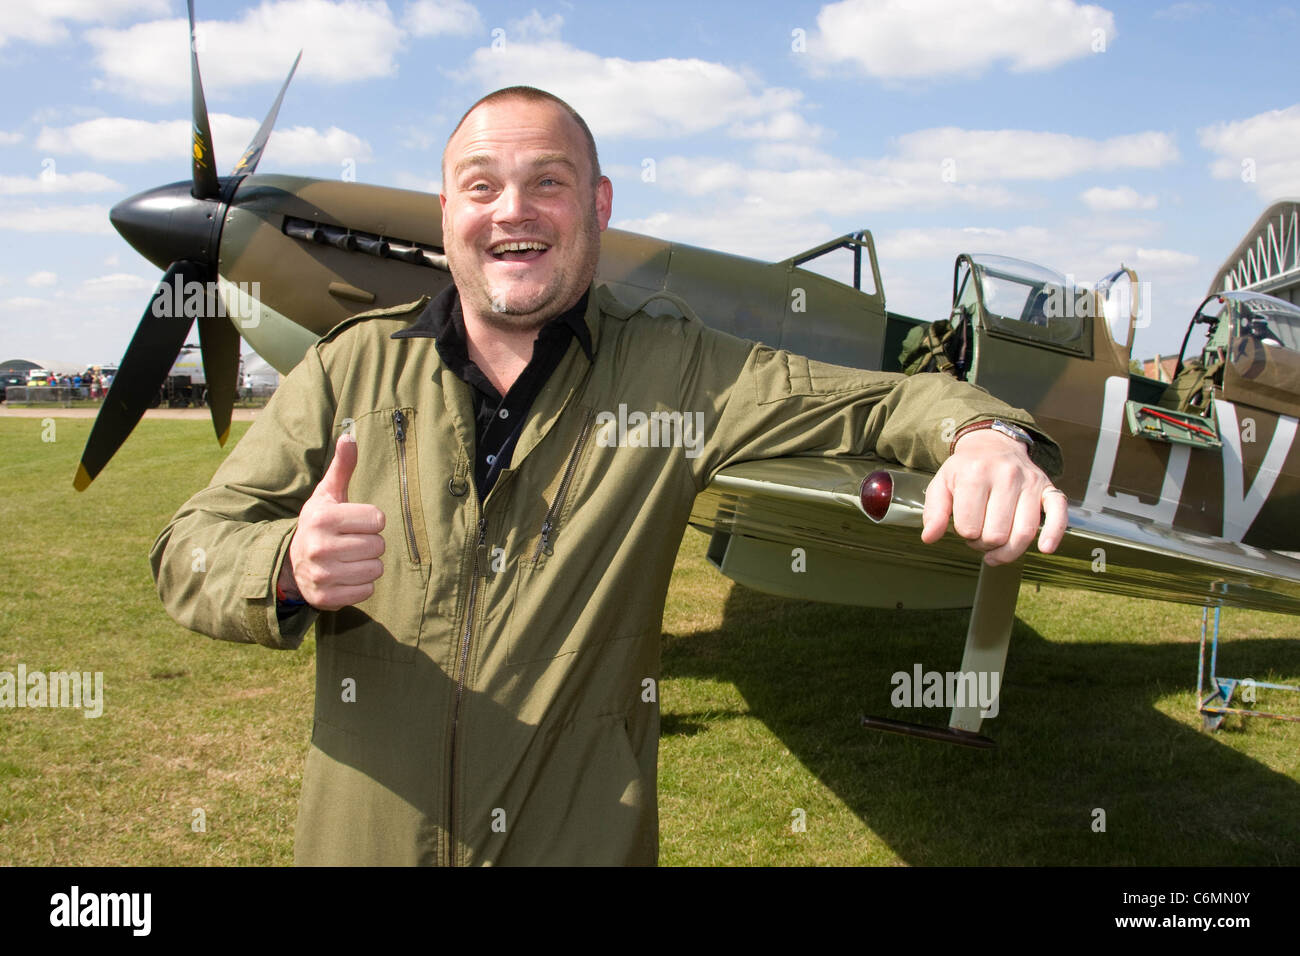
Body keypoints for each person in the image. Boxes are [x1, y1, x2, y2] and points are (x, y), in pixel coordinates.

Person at [151, 86, 1067, 866]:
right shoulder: (350, 367)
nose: (512, 210)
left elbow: (879, 404)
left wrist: (984, 434)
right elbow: (187, 549)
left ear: (598, 205)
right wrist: (286, 566)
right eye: (482, 187)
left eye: (548, 182)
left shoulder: (680, 370)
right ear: (446, 215)